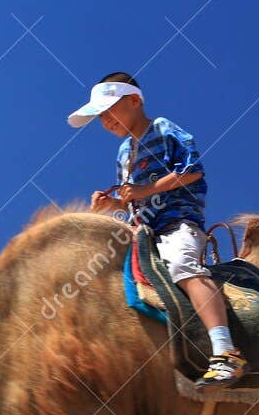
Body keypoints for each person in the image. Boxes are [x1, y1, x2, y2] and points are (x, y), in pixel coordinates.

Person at [71, 72, 244, 387]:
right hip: (144, 231)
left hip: (177, 221)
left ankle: (225, 352)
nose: (104, 120)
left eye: (108, 110)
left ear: (134, 101)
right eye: (99, 117)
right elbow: (133, 200)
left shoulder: (163, 129)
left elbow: (192, 170)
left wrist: (145, 189)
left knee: (183, 266)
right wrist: (114, 206)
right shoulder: (124, 154)